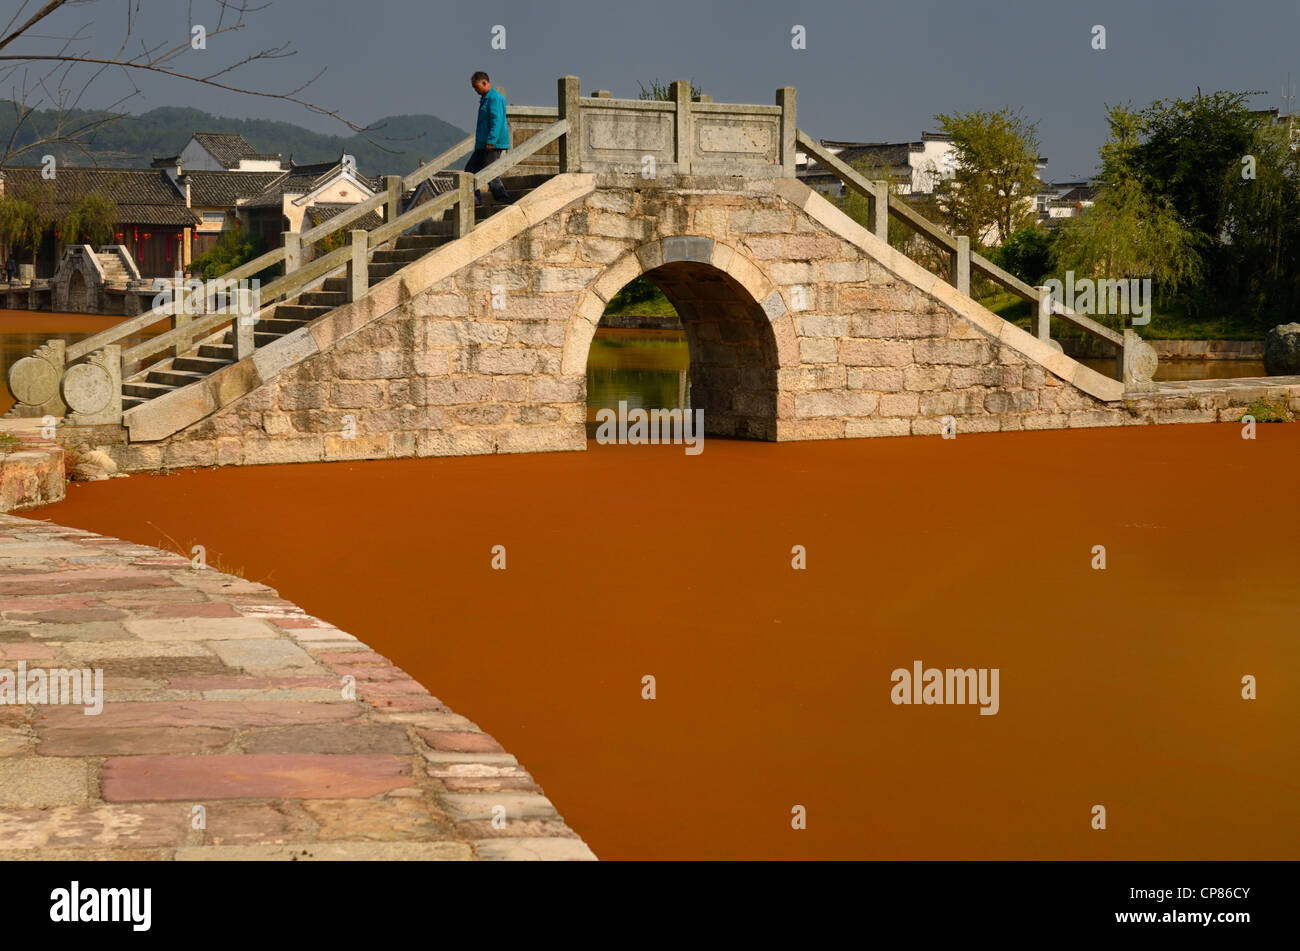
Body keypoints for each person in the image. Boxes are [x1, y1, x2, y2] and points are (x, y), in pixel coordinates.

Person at [466, 71, 512, 207]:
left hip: (493, 143)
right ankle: (475, 200)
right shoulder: (486, 98)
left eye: (476, 86)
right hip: (483, 144)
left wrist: (492, 140)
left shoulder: (494, 98)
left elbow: (496, 121)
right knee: (470, 171)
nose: (475, 90)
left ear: (485, 82)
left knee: (490, 172)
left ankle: (503, 198)